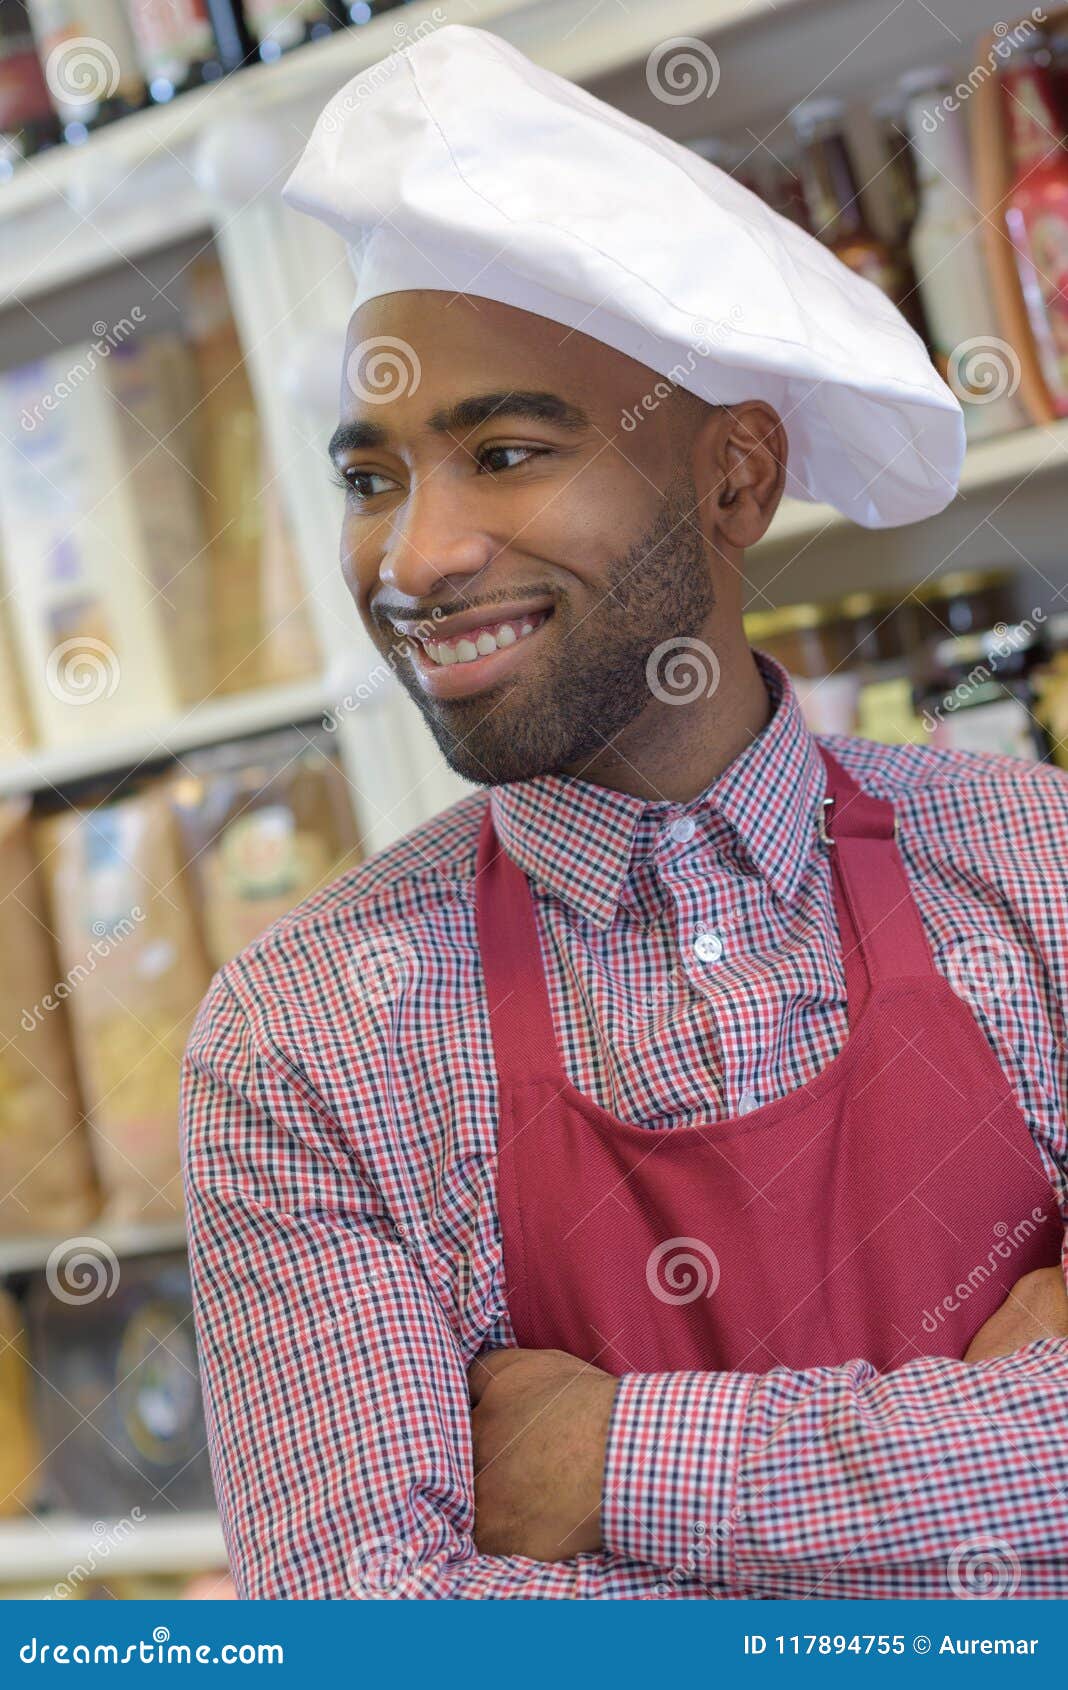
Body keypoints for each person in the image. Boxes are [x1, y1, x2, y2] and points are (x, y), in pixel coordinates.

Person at [180, 25, 1068, 1599]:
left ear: (733, 484)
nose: (416, 555)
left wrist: (607, 1464)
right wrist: (985, 1482)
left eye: (505, 452)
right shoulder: (304, 1035)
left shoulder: (1036, 865)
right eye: (370, 476)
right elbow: (380, 1635)